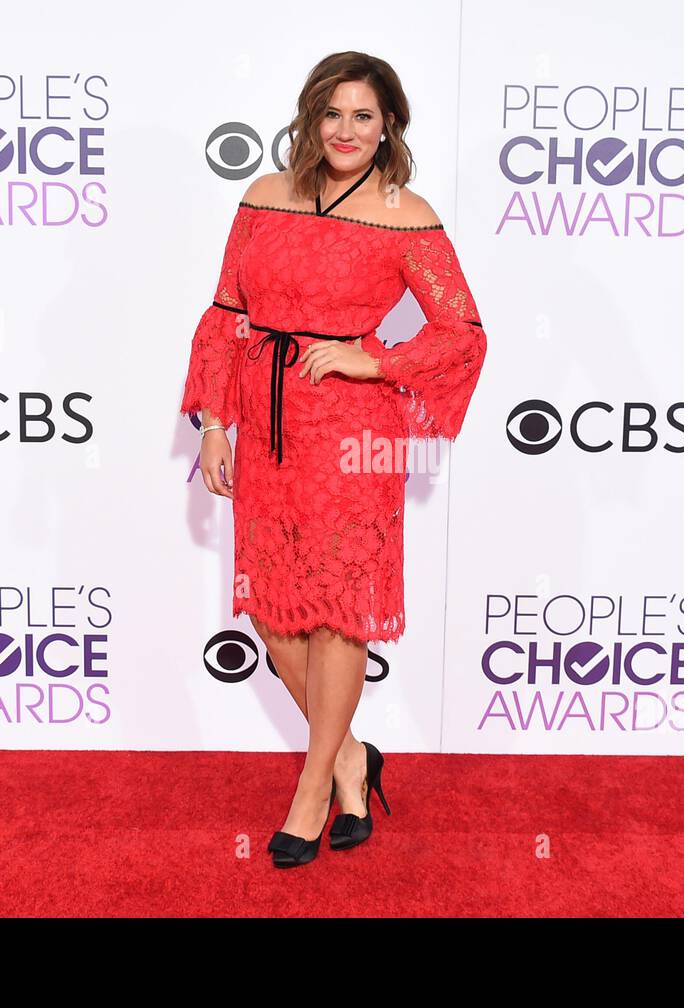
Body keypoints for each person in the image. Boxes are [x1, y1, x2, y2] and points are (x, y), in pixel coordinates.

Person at [180, 51, 487, 868]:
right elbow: (226, 310)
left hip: (353, 436)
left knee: (339, 610)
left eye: (365, 115)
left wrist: (373, 361)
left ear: (389, 124)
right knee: (278, 613)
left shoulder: (403, 212)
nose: (347, 130)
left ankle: (313, 789)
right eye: (333, 113)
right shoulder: (265, 194)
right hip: (269, 426)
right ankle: (352, 755)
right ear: (310, 117)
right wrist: (216, 422)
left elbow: (461, 329)